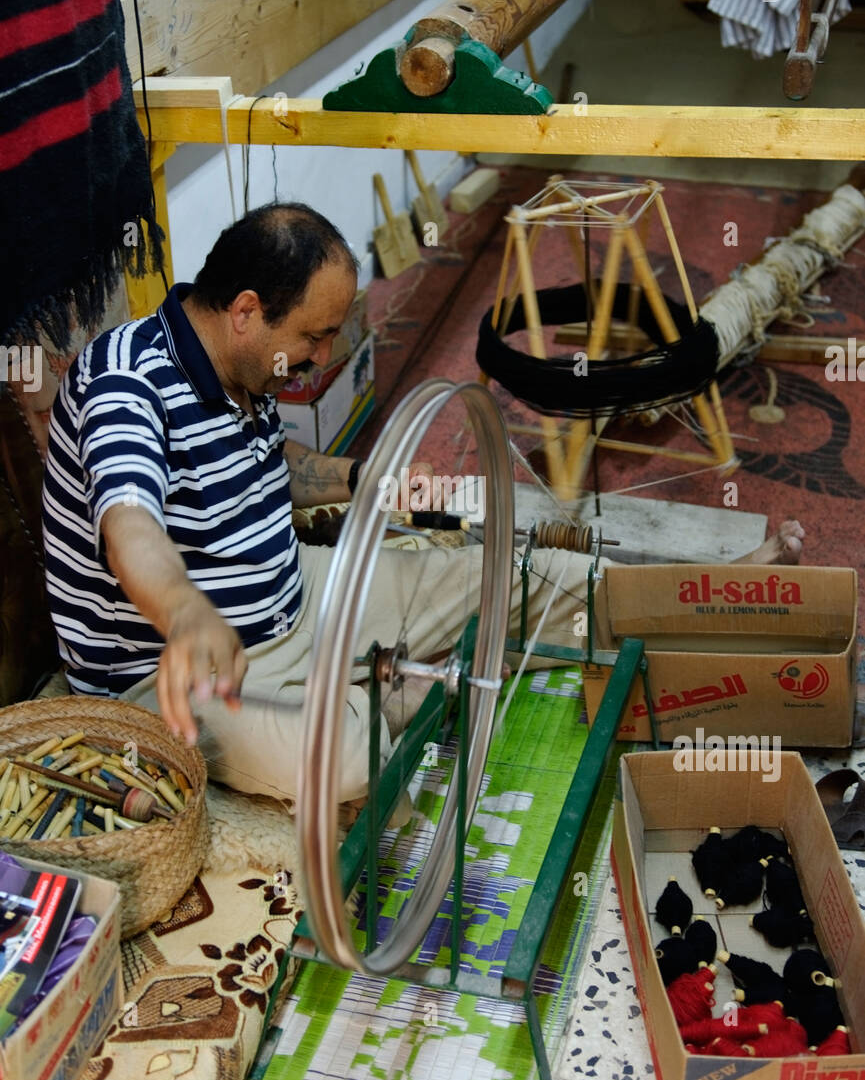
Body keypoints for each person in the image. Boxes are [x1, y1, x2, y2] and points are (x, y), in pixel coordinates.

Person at [42, 202, 805, 808]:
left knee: (501, 573)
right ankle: (387, 691)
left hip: (295, 596)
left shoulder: (239, 363)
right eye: (312, 338)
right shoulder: (126, 384)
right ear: (245, 310)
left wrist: (362, 477)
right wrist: (185, 612)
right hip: (181, 670)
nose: (319, 358)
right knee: (346, 763)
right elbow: (129, 525)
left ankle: (706, 599)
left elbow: (267, 462)